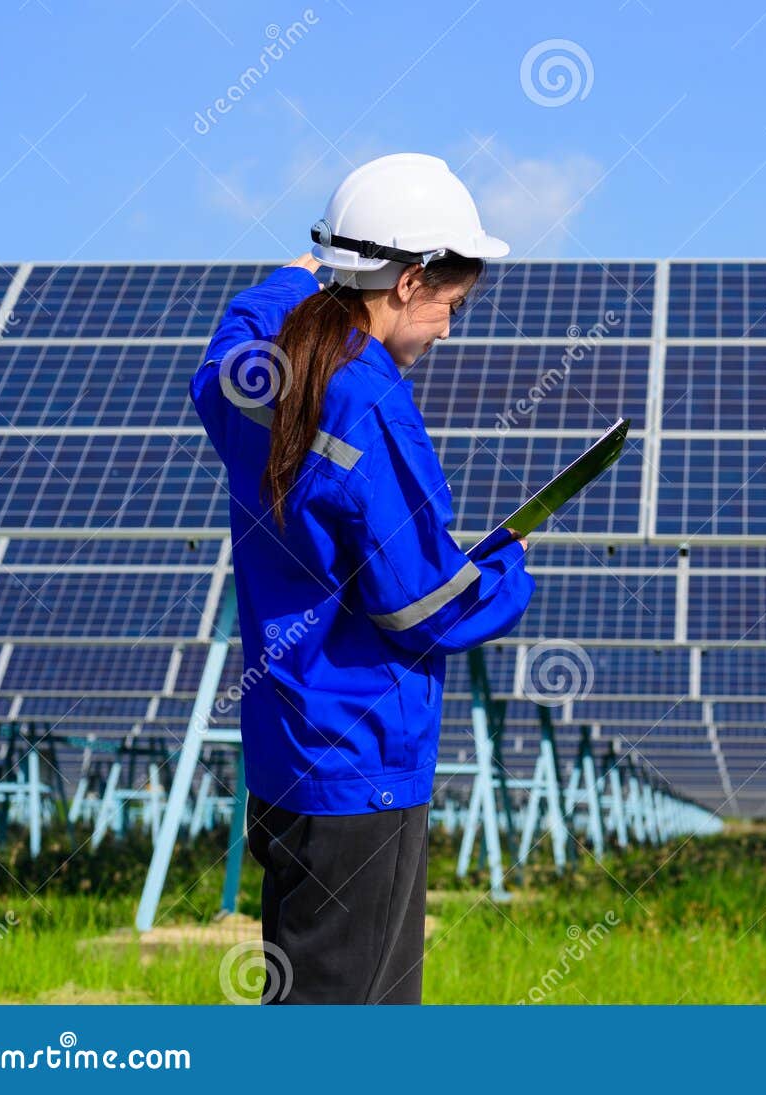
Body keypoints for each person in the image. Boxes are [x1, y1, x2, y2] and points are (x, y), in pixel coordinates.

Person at [189, 153, 535, 1004]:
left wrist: (287, 280)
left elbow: (218, 356)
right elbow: (420, 603)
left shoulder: (266, 374)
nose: (451, 328)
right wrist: (508, 567)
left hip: (287, 755)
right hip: (363, 764)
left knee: (301, 995)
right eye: (452, 305)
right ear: (411, 279)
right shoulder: (371, 406)